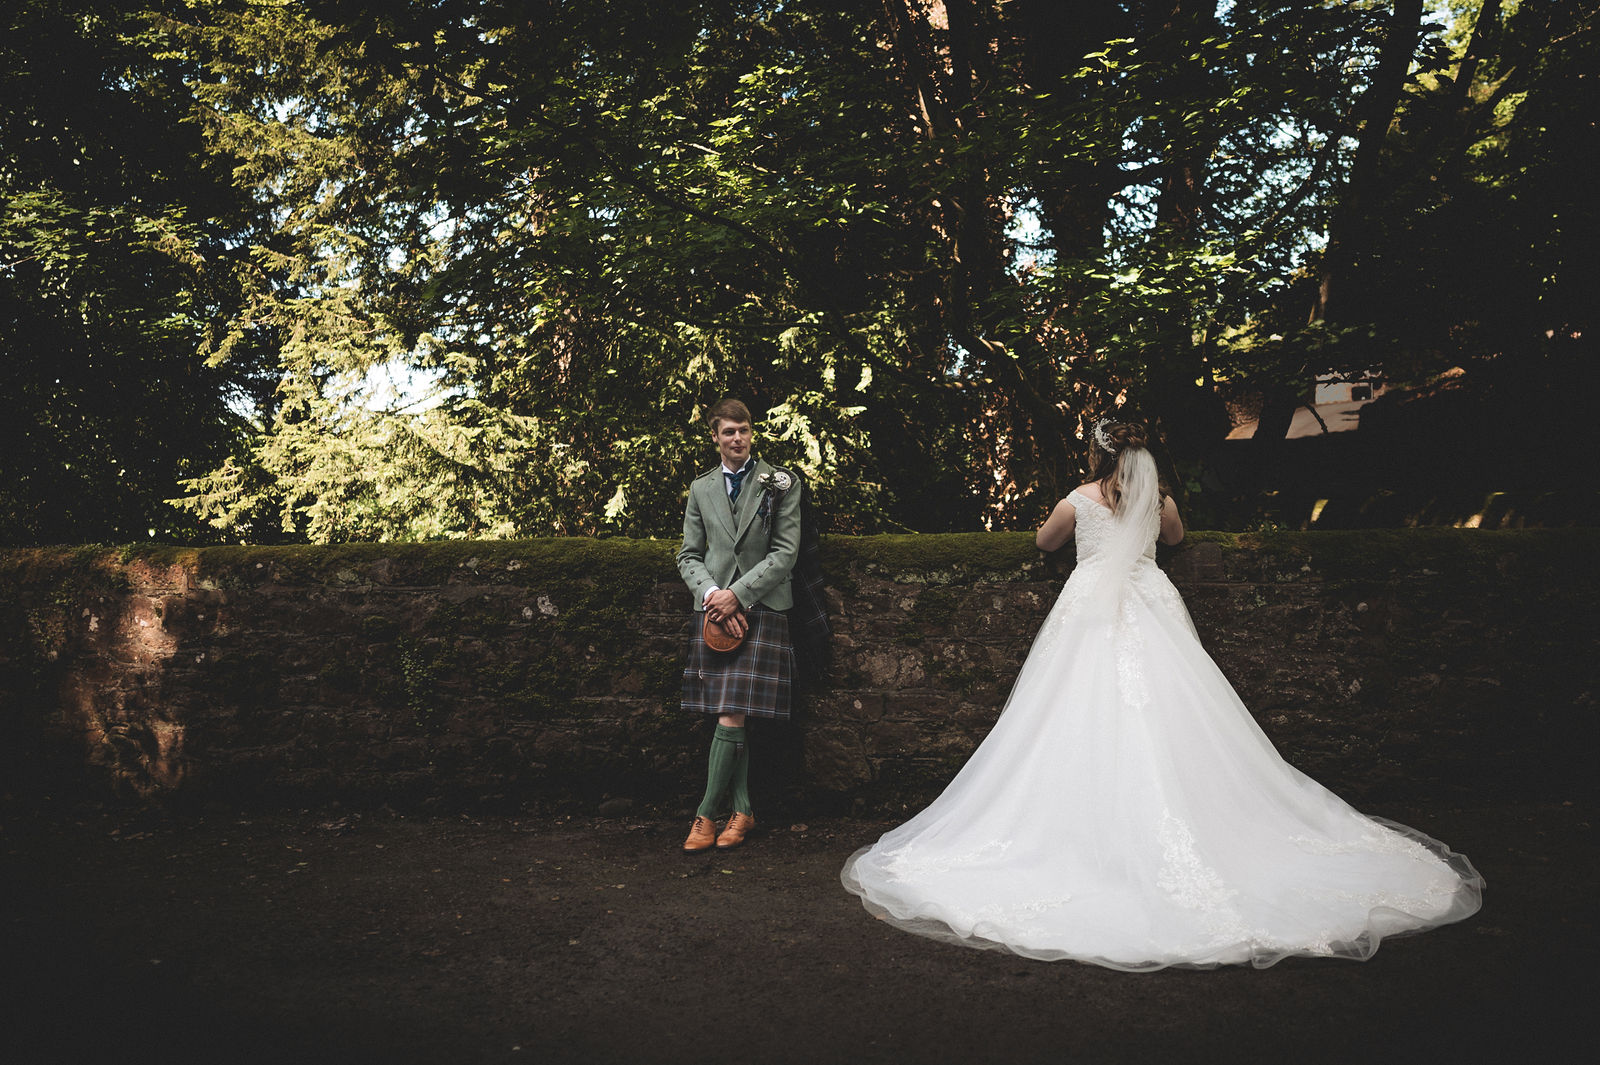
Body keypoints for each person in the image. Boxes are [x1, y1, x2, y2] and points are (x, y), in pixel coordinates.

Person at [841, 419, 1483, 970]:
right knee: (1178, 705)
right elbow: (1174, 542)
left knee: (1069, 708)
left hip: (1091, 607)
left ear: (1098, 454)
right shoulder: (1161, 500)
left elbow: (1044, 543)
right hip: (1150, 602)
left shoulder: (1078, 497)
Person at [676, 398, 802, 853]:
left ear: (752, 432)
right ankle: (743, 810)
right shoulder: (700, 488)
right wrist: (714, 596)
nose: (737, 438)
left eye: (743, 430)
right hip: (712, 613)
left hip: (761, 607)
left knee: (731, 712)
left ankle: (705, 814)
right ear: (715, 436)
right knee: (732, 712)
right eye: (728, 431)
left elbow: (786, 552)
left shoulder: (782, 482)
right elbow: (688, 554)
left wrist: (738, 596)